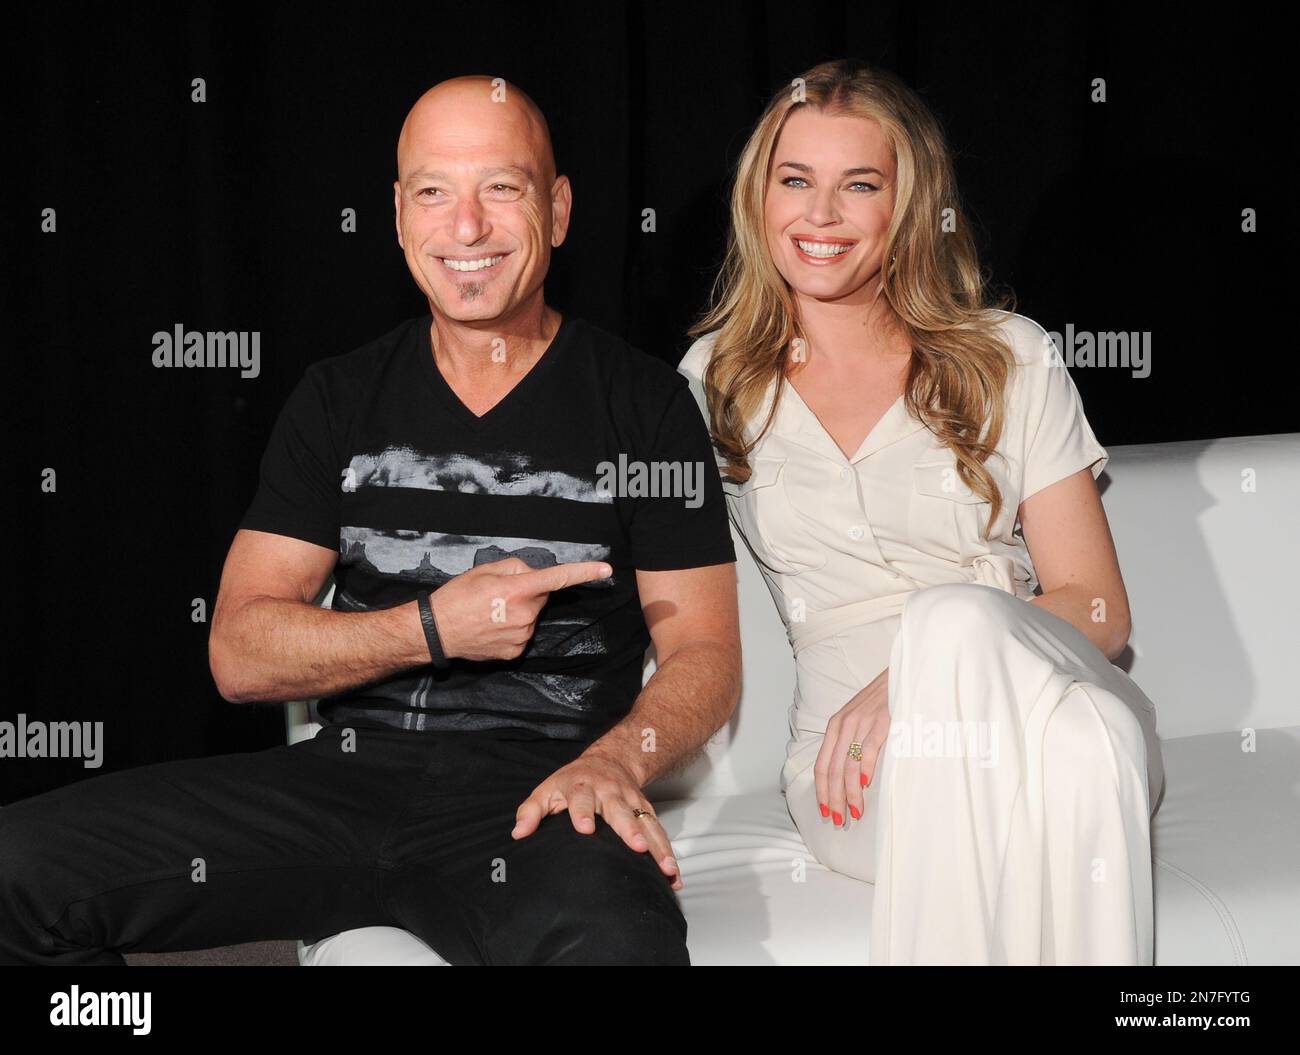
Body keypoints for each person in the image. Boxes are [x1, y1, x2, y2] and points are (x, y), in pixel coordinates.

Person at [0, 76, 740, 966]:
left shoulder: (646, 405)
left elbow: (707, 654)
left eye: (501, 188)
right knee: (16, 869)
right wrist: (433, 627)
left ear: (558, 208)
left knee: (623, 944)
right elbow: (238, 653)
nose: (465, 228)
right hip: (343, 777)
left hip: (539, 795)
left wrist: (616, 762)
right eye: (434, 191)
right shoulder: (337, 397)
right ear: (397, 214)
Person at [677, 59, 1165, 965]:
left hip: (1044, 693)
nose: (819, 216)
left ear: (908, 206)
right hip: (854, 766)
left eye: (858, 185)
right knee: (1086, 762)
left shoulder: (1008, 356)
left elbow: (1099, 610)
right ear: (759, 197)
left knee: (994, 650)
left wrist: (914, 673)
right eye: (796, 181)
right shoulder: (712, 384)